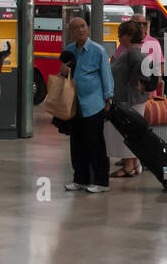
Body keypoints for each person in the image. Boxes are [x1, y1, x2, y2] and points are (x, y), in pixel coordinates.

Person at [61, 15, 113, 193]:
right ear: (71, 32)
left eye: (83, 26)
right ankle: (80, 179)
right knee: (77, 144)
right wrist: (63, 72)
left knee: (95, 144)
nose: (81, 29)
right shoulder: (69, 51)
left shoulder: (97, 51)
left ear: (88, 28)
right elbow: (62, 78)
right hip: (74, 105)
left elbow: (106, 76)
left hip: (94, 105)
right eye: (76, 27)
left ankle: (101, 181)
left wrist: (108, 98)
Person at [105, 21, 153, 179]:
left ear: (129, 36)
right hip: (131, 100)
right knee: (131, 133)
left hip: (128, 100)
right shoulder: (135, 51)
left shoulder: (133, 52)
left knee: (125, 133)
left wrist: (136, 83)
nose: (119, 38)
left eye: (121, 34)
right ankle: (132, 164)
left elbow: (141, 68)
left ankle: (128, 166)